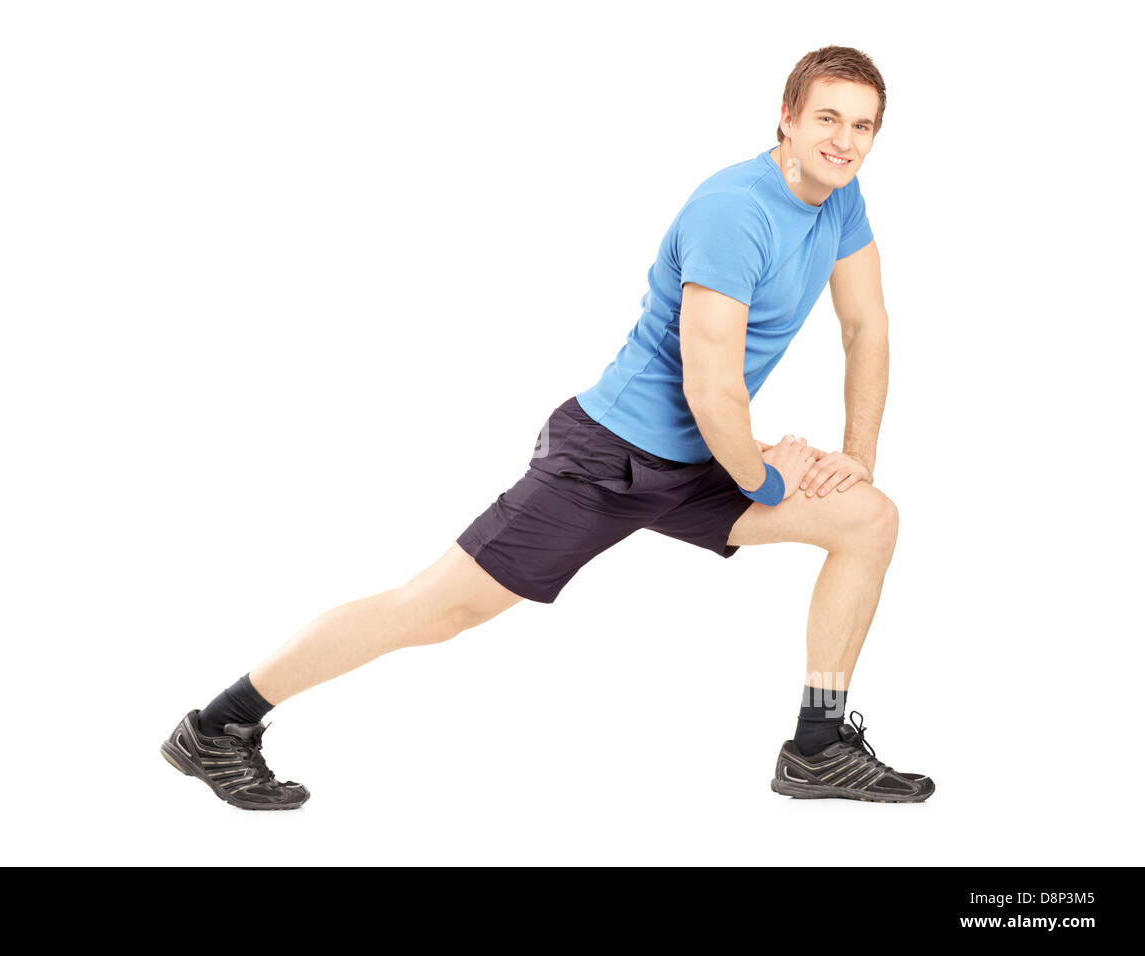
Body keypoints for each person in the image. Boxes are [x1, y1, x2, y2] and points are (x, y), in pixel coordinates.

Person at [159, 44, 934, 809]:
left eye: (863, 127)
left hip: (702, 456)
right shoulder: (734, 213)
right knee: (433, 610)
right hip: (612, 458)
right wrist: (767, 475)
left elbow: (867, 327)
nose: (844, 141)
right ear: (787, 119)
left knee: (868, 519)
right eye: (828, 118)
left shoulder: (841, 197)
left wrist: (854, 460)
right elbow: (709, 389)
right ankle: (218, 728)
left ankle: (818, 748)